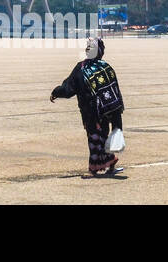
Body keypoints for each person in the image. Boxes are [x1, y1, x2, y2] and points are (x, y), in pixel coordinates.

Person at [50, 36, 125, 177]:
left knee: (95, 139)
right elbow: (115, 93)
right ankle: (108, 165)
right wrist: (116, 117)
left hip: (90, 113)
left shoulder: (82, 68)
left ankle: (95, 168)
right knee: (102, 137)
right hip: (106, 112)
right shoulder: (106, 68)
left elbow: (69, 88)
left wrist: (56, 92)